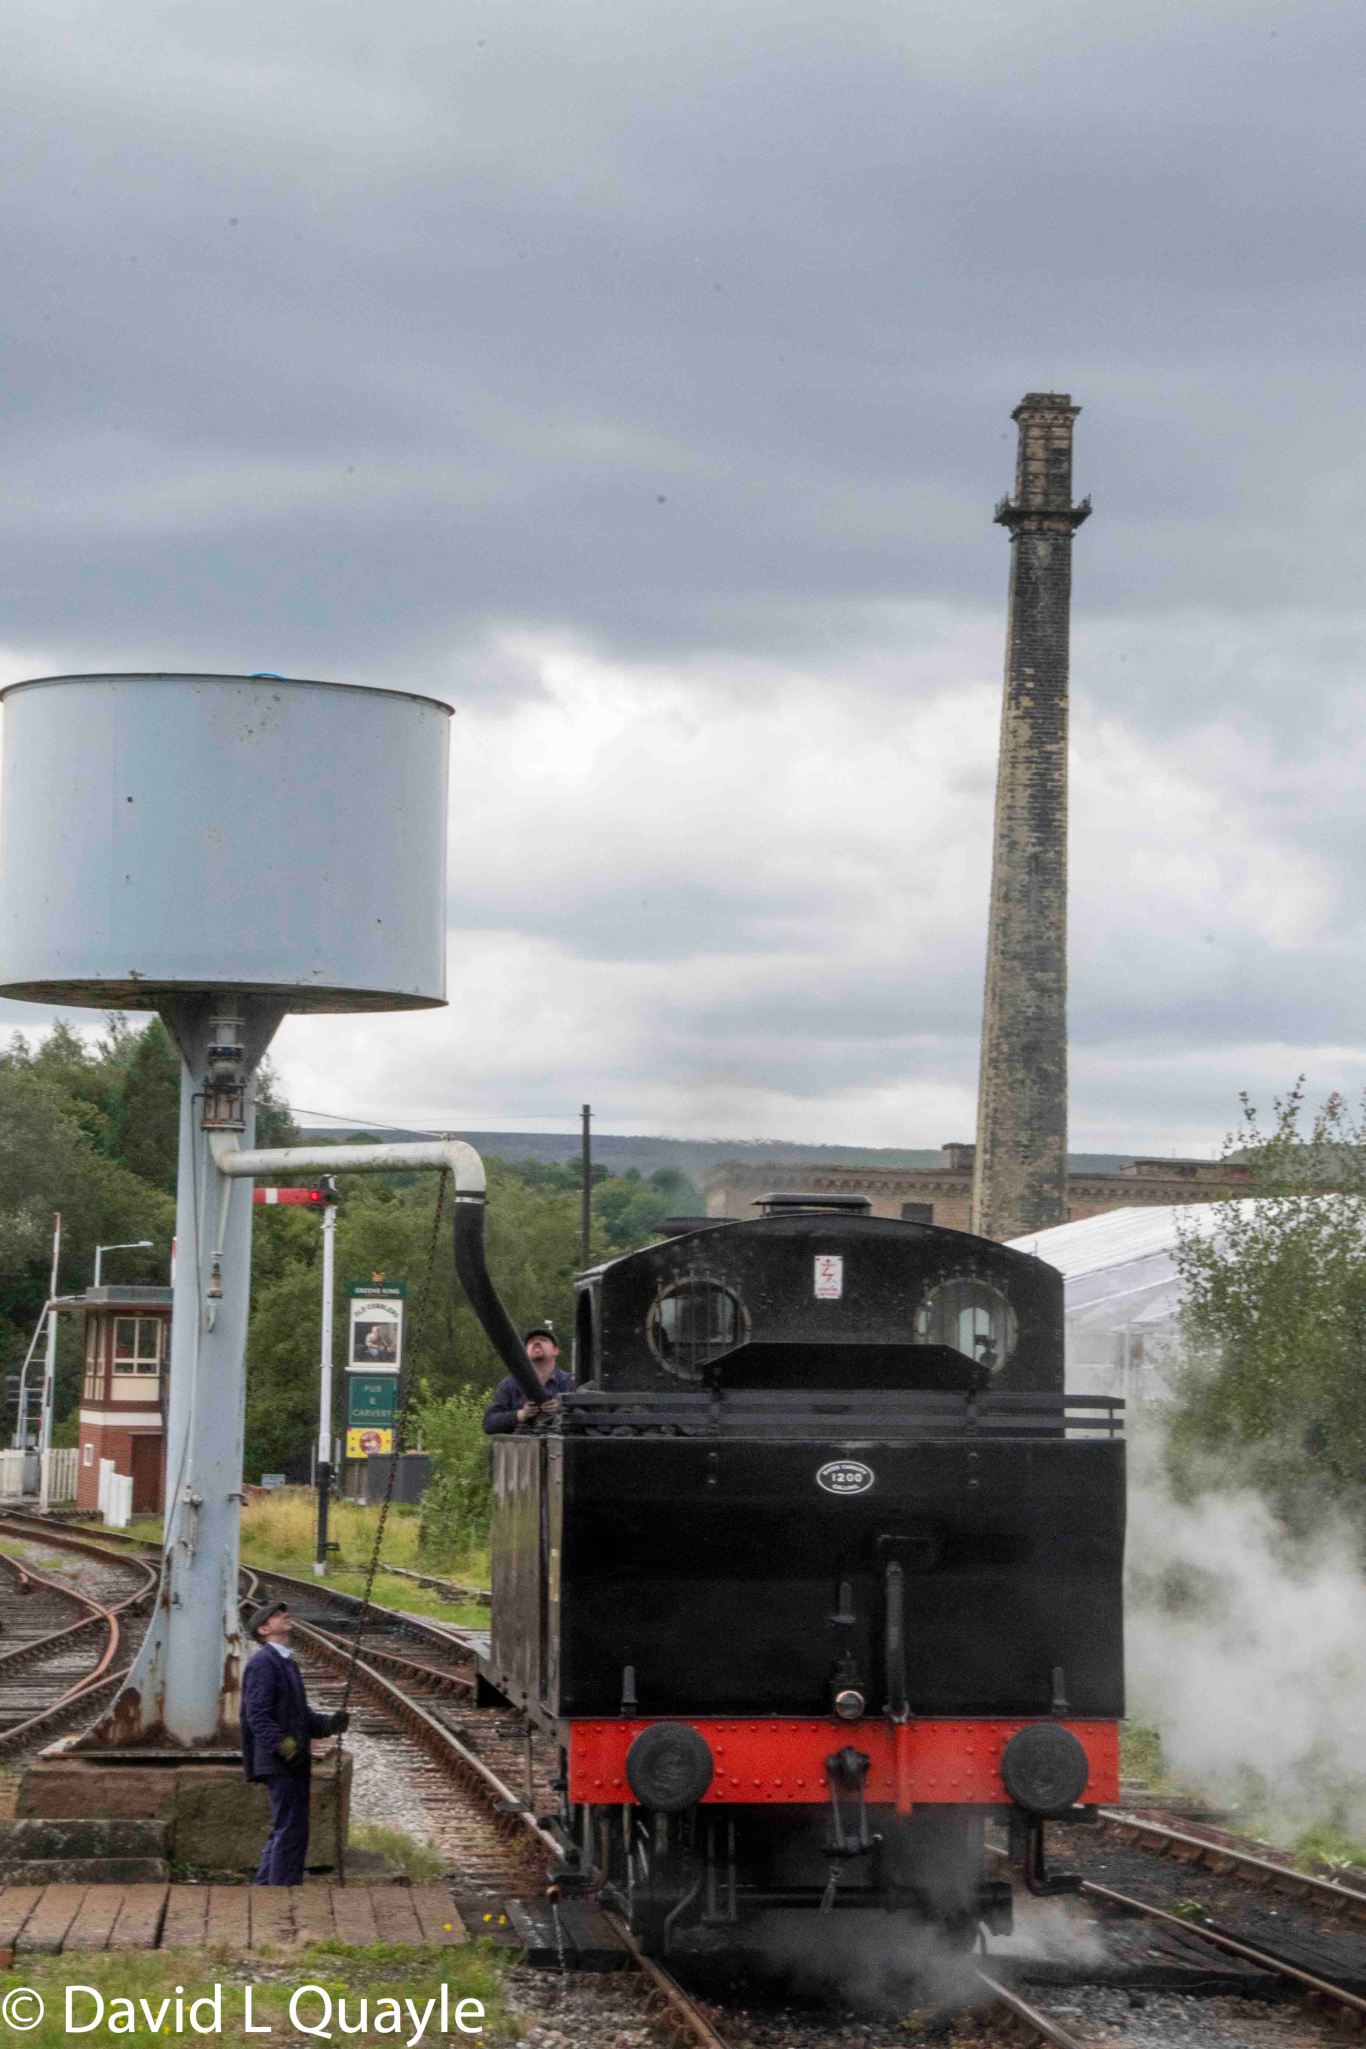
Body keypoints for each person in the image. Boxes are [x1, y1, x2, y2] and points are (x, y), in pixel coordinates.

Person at [240, 1600, 350, 1886]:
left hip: (290, 1760)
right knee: (291, 1829)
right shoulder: (263, 1663)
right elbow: (258, 1716)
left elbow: (299, 1715)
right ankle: (283, 1892)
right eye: (276, 1615)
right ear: (264, 1629)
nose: (284, 1616)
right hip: (280, 1761)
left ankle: (265, 1887)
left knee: (286, 1826)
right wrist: (287, 1750)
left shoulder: (285, 1662)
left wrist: (327, 1724)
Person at [482, 1325, 574, 1434]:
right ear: (525, 1352)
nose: (536, 1343)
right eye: (531, 1342)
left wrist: (563, 1409)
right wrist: (520, 1415)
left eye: (543, 1340)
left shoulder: (570, 1382)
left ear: (556, 1350)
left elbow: (590, 1416)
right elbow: (489, 1423)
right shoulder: (510, 1384)